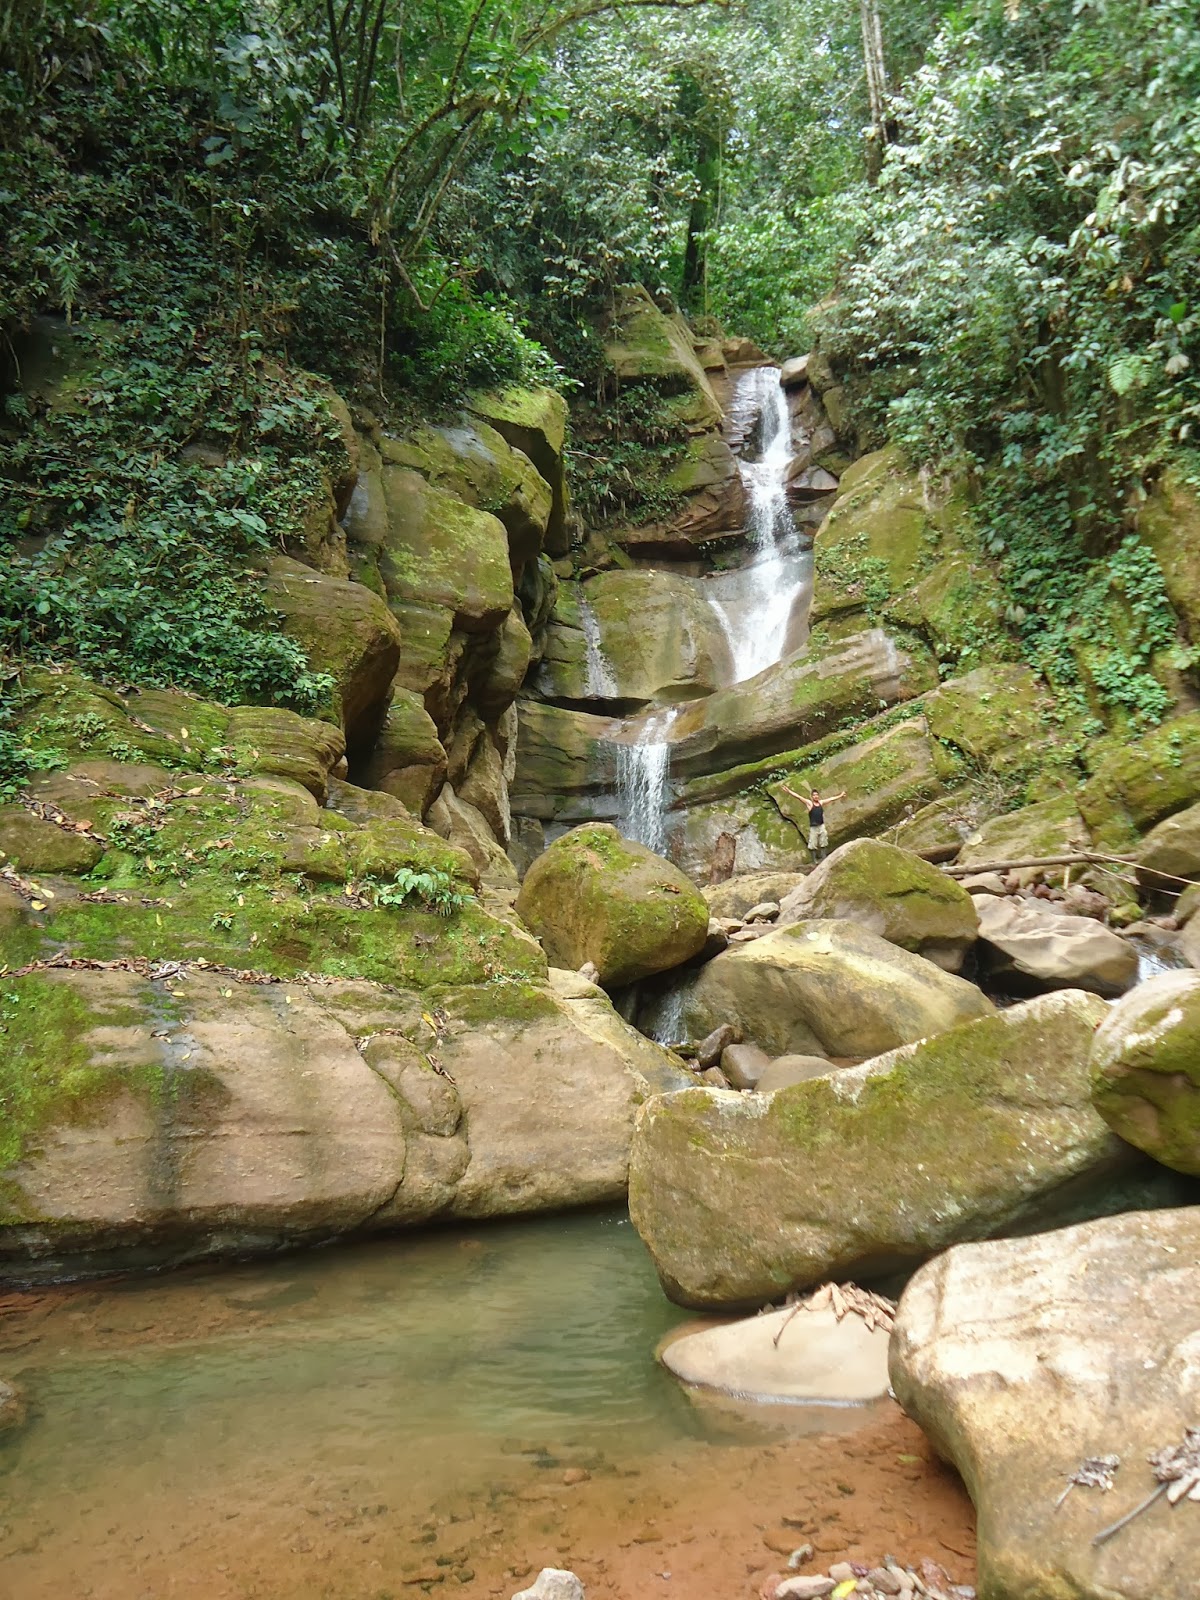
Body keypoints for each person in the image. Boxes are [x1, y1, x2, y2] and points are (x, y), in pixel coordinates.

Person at [780, 784, 845, 863]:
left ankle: (824, 857)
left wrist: (840, 795)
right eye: (814, 795)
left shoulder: (821, 803)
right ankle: (814, 860)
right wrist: (789, 791)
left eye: (817, 795)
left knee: (823, 841)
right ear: (812, 797)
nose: (816, 796)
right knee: (813, 843)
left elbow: (831, 799)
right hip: (814, 827)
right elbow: (799, 797)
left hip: (821, 826)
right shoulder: (810, 804)